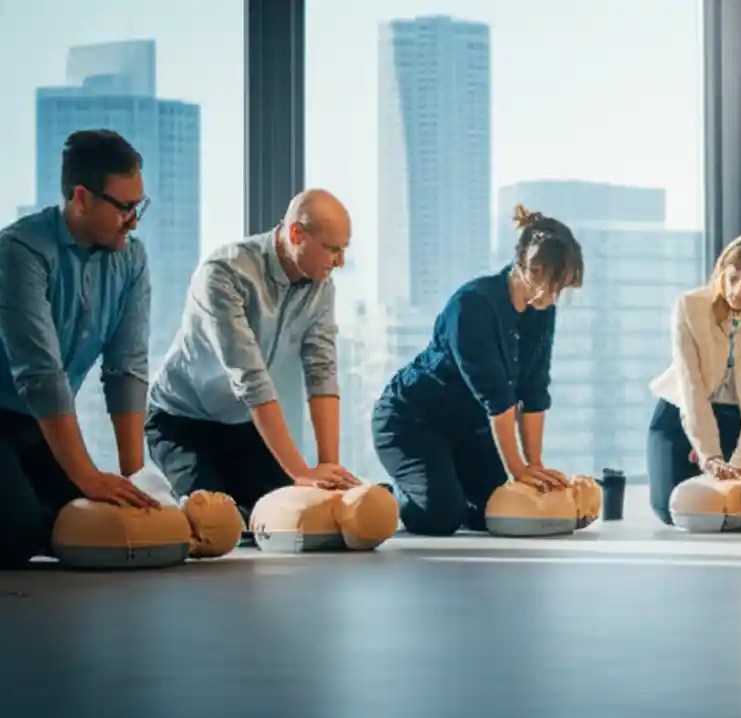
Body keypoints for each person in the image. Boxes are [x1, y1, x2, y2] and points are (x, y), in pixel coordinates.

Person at [371, 205, 584, 536]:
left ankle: (443, 483)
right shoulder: (472, 306)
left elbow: (534, 390)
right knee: (442, 518)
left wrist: (534, 467)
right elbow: (498, 400)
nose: (556, 298)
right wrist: (517, 469)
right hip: (412, 422)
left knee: (496, 512)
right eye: (556, 286)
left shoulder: (541, 310)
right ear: (534, 269)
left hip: (468, 430)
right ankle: (386, 498)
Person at [0, 130, 160, 566]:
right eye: (124, 208)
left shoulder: (132, 258)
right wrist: (86, 473)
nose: (134, 220)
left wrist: (134, 479)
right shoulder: (21, 250)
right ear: (82, 198)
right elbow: (40, 375)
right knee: (17, 534)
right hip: (14, 408)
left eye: (138, 205)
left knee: (92, 522)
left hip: (35, 426)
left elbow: (126, 368)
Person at [145, 189, 358, 516]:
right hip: (181, 421)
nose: (339, 262)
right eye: (332, 249)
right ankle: (156, 499)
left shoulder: (321, 285)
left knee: (287, 513)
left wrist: (328, 466)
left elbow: (322, 371)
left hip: (242, 425)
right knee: (217, 519)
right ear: (297, 234)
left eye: (343, 250)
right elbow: (251, 380)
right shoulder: (224, 272)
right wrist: (300, 472)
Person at [647, 231, 741, 524]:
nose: (737, 293)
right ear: (722, 269)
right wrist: (709, 455)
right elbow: (690, 385)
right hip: (682, 417)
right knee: (679, 510)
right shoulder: (689, 306)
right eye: (732, 280)